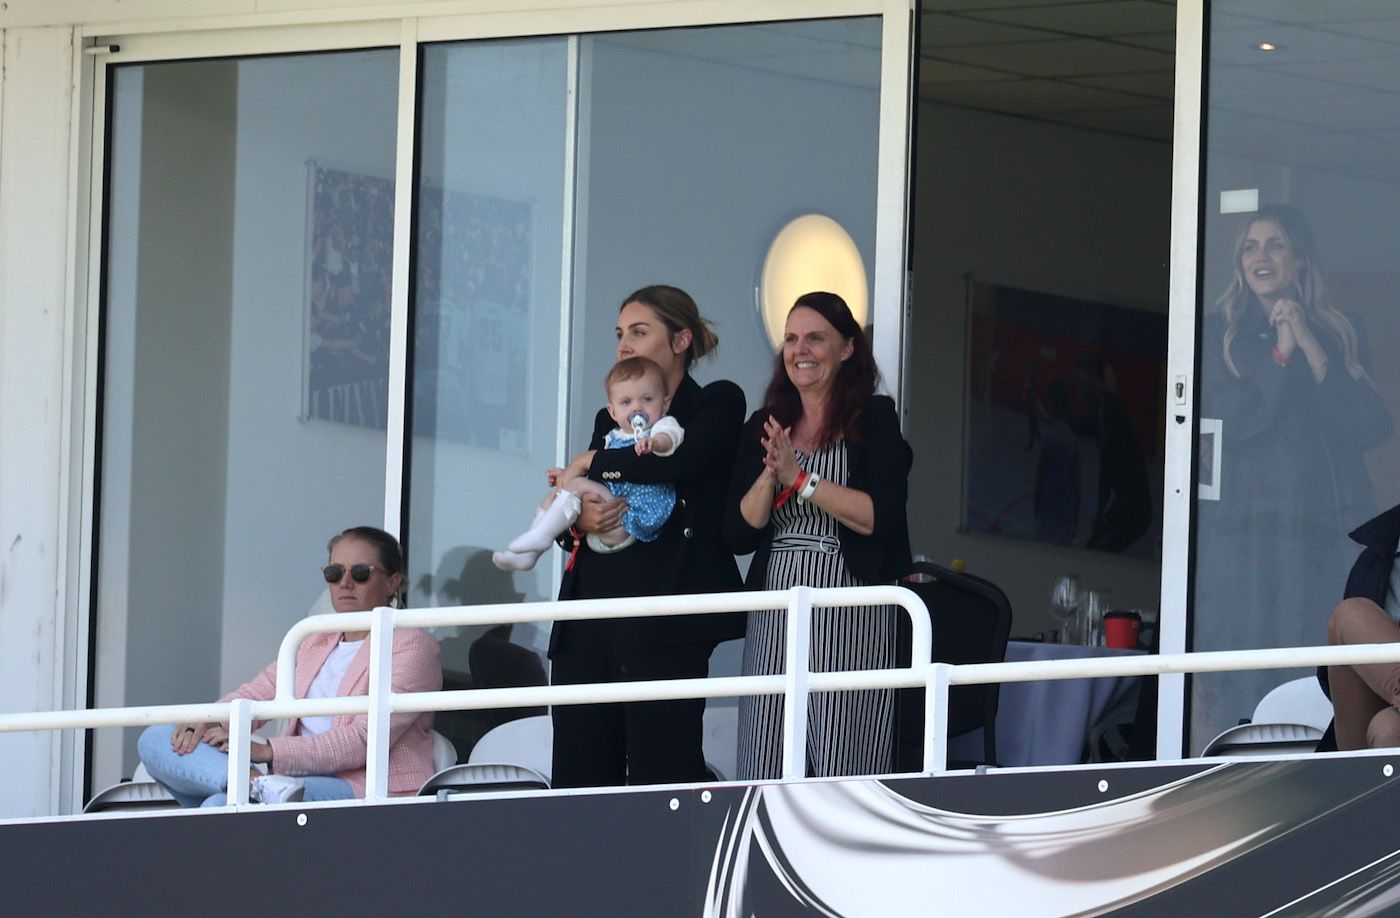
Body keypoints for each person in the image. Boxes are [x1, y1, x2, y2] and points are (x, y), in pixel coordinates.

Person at [1193, 204, 1392, 744]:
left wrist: (1309, 343)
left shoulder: (1339, 329)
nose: (1262, 257)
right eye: (1251, 246)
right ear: (1239, 262)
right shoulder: (1219, 332)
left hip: (1322, 520)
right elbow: (1231, 424)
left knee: (1318, 632)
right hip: (1250, 524)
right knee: (1250, 636)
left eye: (1275, 244)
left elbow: (1369, 426)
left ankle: (1325, 749)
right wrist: (1279, 352)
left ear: (1300, 260)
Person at [549, 284, 746, 788]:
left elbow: (673, 463)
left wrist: (592, 461)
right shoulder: (608, 414)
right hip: (591, 609)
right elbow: (586, 497)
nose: (624, 344)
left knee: (665, 770)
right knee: (580, 773)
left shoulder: (717, 402)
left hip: (667, 614)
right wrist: (577, 519)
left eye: (639, 331)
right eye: (620, 334)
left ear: (681, 340)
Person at [725, 291, 913, 779]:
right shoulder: (764, 426)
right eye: (790, 339)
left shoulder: (873, 420)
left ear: (847, 348)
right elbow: (740, 533)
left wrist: (801, 479)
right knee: (768, 746)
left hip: (850, 608)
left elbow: (880, 518)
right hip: (776, 609)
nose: (799, 350)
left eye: (815, 338)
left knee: (842, 749)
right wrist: (771, 474)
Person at [137, 526, 442, 807]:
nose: (345, 583)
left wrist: (267, 751)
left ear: (393, 582)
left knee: (221, 805)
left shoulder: (412, 646)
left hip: (364, 785)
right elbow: (255, 694)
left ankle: (258, 788)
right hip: (291, 781)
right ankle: (259, 785)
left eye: (361, 573)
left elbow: (364, 740)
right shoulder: (313, 641)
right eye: (334, 573)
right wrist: (206, 721)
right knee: (157, 737)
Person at [492, 356, 684, 571]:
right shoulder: (612, 437)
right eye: (626, 402)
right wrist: (567, 475)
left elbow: (671, 437)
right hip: (613, 510)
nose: (637, 407)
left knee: (575, 486)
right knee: (558, 493)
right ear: (613, 411)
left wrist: (655, 443)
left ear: (665, 403)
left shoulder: (661, 425)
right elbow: (599, 474)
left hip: (635, 516)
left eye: (647, 399)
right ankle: (529, 553)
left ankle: (542, 537)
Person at [1325, 503, 1400, 749]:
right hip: (1365, 730)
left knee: (1387, 727)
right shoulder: (1378, 555)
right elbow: (1336, 681)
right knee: (1351, 613)